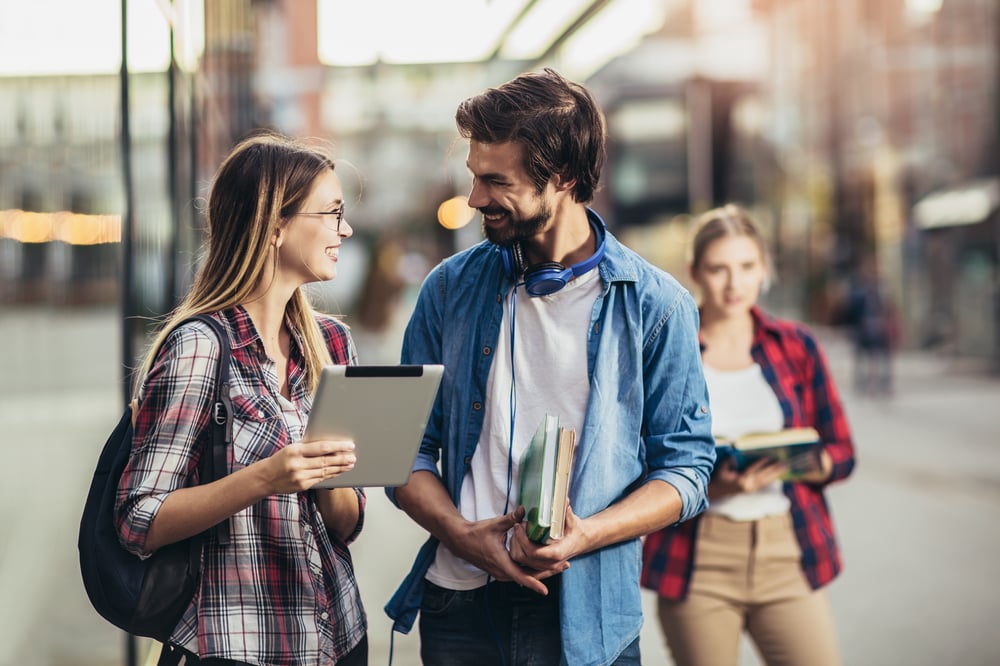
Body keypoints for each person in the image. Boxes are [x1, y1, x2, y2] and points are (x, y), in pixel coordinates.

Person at [384, 68, 716, 666]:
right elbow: (403, 449)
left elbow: (687, 469)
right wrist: (463, 537)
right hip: (458, 607)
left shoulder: (658, 306)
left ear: (561, 177)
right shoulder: (446, 290)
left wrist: (587, 532)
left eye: (495, 181)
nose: (476, 199)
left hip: (588, 614)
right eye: (474, 178)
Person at [116, 130, 369, 666]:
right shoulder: (199, 349)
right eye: (332, 213)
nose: (345, 229)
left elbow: (347, 524)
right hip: (236, 647)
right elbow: (139, 520)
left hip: (338, 639)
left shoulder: (333, 345)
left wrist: (333, 476)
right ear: (276, 224)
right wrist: (269, 478)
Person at [641, 204, 857, 666]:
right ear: (695, 272)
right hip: (698, 559)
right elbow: (641, 462)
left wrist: (803, 462)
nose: (734, 283)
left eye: (746, 267)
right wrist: (717, 485)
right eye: (719, 268)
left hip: (786, 549)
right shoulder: (668, 348)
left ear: (765, 269)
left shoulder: (796, 346)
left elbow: (842, 450)